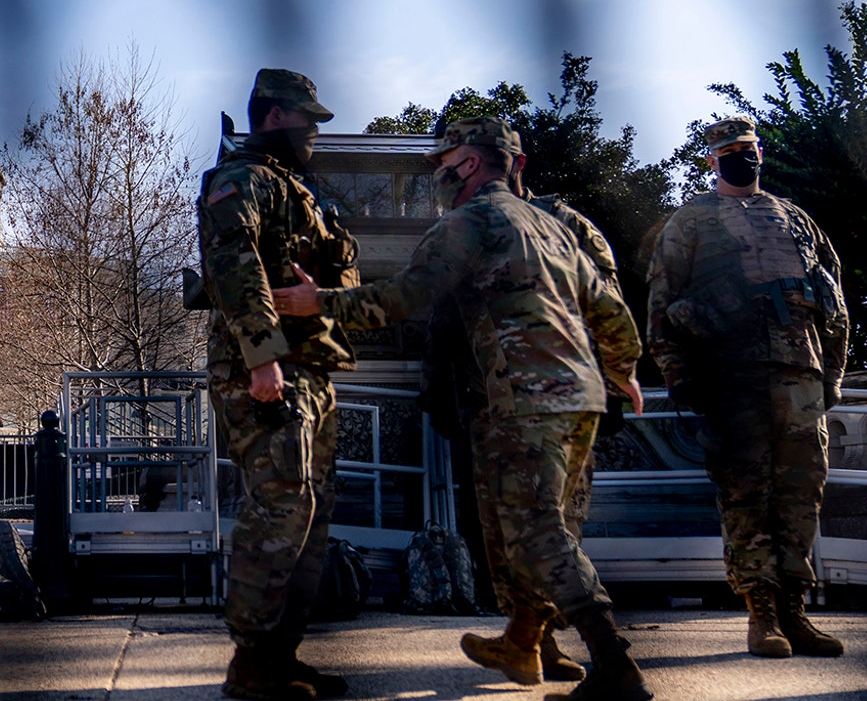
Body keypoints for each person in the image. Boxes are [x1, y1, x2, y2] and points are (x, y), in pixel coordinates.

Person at [275, 117, 649, 701]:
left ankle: (614, 660)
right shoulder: (552, 229)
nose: (439, 178)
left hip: (522, 400)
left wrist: (315, 302)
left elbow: (401, 297)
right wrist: (622, 373)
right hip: (580, 399)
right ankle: (524, 644)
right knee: (518, 529)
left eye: (444, 166)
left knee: (539, 531)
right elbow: (610, 310)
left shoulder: (468, 223)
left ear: (470, 164)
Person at [431, 127, 640, 685]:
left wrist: (615, 380)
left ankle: (579, 651)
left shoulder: (564, 224)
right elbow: (442, 318)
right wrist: (439, 392)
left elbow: (603, 303)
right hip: (485, 401)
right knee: (504, 535)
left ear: (514, 161)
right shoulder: (460, 223)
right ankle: (529, 643)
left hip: (551, 400)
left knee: (552, 526)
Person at [647, 116, 848, 659]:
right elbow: (663, 306)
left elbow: (832, 300)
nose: (743, 157)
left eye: (750, 148)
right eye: (731, 150)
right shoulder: (688, 223)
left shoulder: (796, 219)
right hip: (730, 378)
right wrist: (678, 373)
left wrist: (832, 374)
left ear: (762, 152)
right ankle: (762, 616)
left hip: (799, 373)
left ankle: (795, 611)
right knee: (744, 493)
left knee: (801, 491)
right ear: (712, 160)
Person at [196, 68, 360, 701]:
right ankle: (251, 662)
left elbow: (345, 275)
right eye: (307, 121)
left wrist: (322, 297)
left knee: (310, 516)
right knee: (280, 508)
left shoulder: (305, 193)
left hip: (312, 370)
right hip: (264, 372)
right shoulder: (240, 180)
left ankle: (281, 655)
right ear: (273, 117)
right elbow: (233, 264)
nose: (315, 133)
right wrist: (263, 357)